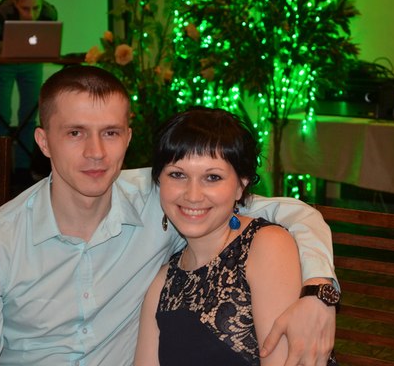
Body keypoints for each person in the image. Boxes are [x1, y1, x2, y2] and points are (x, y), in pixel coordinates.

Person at [0, 65, 339, 366]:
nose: (96, 152)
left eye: (110, 133)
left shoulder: (168, 198)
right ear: (43, 141)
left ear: (128, 138)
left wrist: (319, 290)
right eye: (75, 133)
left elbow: (294, 214)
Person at [135, 107, 336, 366]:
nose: (193, 195)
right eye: (177, 174)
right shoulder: (162, 282)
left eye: (212, 177)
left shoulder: (265, 246)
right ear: (159, 182)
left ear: (241, 185)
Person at [0, 0, 58, 186]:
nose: (31, 14)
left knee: (29, 118)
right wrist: (3, 47)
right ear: (15, 2)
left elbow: (47, 41)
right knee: (1, 117)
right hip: (3, 66)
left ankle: (22, 170)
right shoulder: (4, 10)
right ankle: (1, 169)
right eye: (25, 9)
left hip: (31, 65)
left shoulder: (49, 12)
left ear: (42, 2)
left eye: (36, 8)